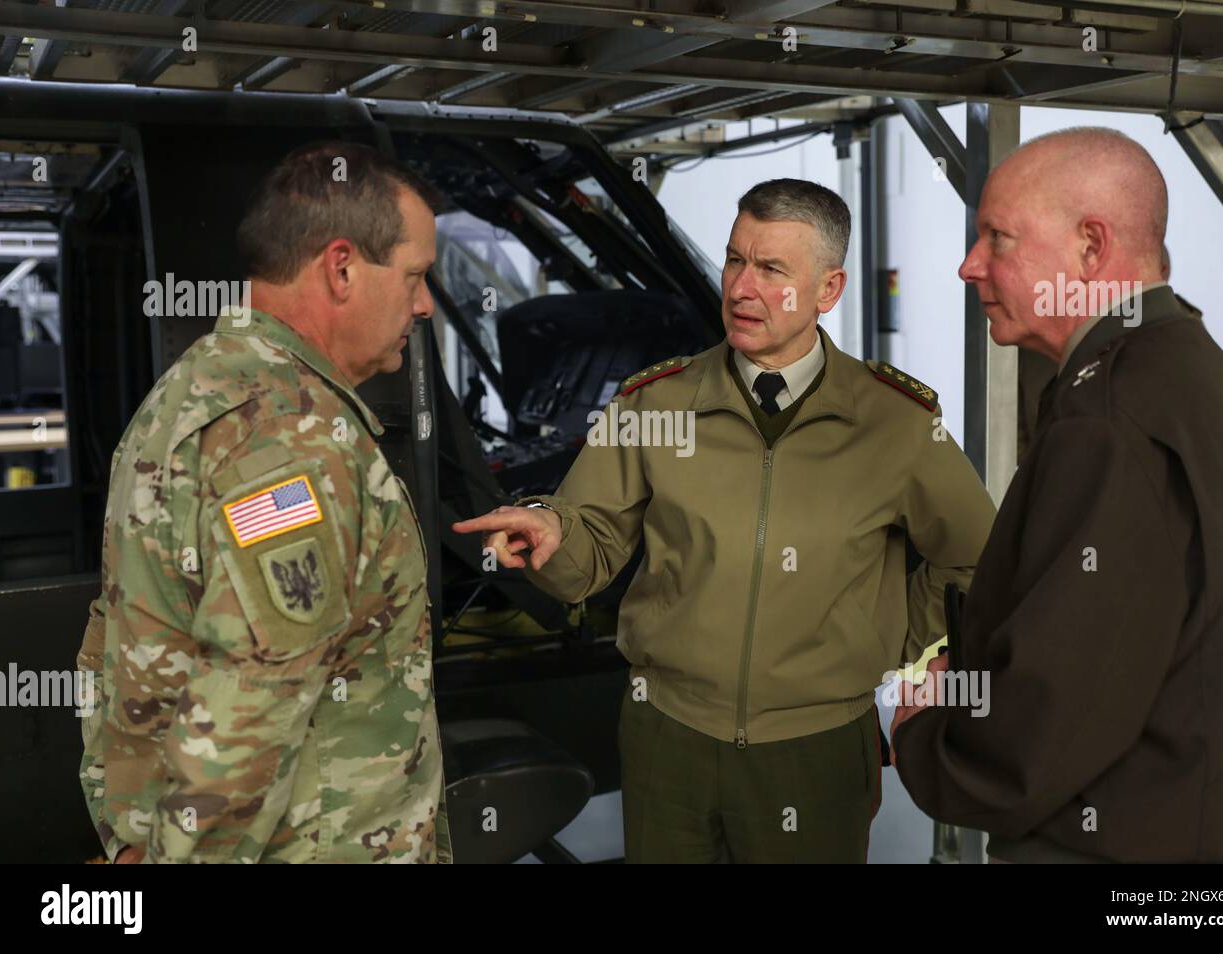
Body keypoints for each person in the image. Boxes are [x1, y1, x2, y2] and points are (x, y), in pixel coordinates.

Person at [455, 178, 996, 863]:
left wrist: (884, 633)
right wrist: (549, 528)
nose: (741, 287)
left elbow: (978, 560)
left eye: (771, 269)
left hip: (817, 748)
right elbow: (586, 543)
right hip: (666, 739)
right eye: (736, 260)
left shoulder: (896, 422)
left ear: (828, 291)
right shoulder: (658, 403)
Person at [891, 127, 1223, 863]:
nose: (968, 265)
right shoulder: (1199, 375)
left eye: (998, 238)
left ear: (1090, 248)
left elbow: (1047, 722)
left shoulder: (1109, 420)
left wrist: (927, 727)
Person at [77, 141, 450, 863]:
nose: (425, 303)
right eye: (415, 276)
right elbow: (248, 711)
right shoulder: (296, 442)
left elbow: (127, 647)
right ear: (342, 267)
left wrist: (139, 846)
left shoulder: (191, 393)